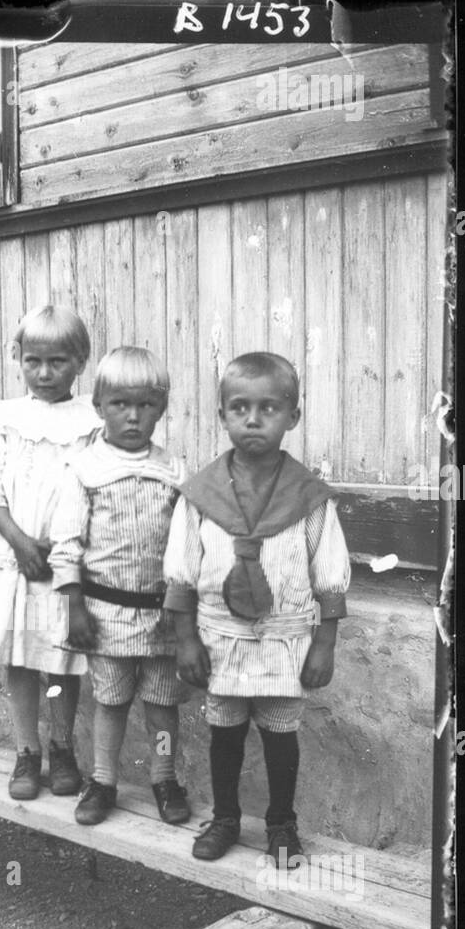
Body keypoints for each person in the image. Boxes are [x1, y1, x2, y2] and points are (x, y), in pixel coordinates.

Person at [163, 351, 351, 866]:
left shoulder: (310, 499)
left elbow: (330, 575)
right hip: (220, 638)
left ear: (293, 416)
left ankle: (282, 824)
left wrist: (324, 645)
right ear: (221, 415)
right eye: (240, 407)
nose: (253, 418)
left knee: (279, 734)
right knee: (224, 731)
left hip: (285, 640)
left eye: (269, 408)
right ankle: (225, 817)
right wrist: (185, 639)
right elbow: (181, 570)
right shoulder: (199, 496)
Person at [0, 305, 101, 801]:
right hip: (15, 558)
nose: (44, 372)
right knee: (18, 655)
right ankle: (26, 749)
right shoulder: (8, 420)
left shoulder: (92, 423)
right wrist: (19, 542)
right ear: (19, 359)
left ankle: (62, 747)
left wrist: (61, 549)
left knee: (60, 658)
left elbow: (98, 490)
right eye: (33, 361)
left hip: (66, 564)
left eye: (57, 361)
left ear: (80, 361)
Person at [49, 347, 190, 827]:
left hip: (163, 615)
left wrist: (183, 605)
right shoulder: (85, 469)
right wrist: (74, 607)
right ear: (99, 406)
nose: (133, 416)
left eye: (146, 405)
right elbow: (66, 545)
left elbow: (188, 543)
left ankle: (164, 776)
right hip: (104, 613)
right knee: (110, 701)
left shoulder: (174, 470)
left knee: (162, 706)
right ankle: (103, 778)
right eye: (120, 405)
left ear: (161, 409)